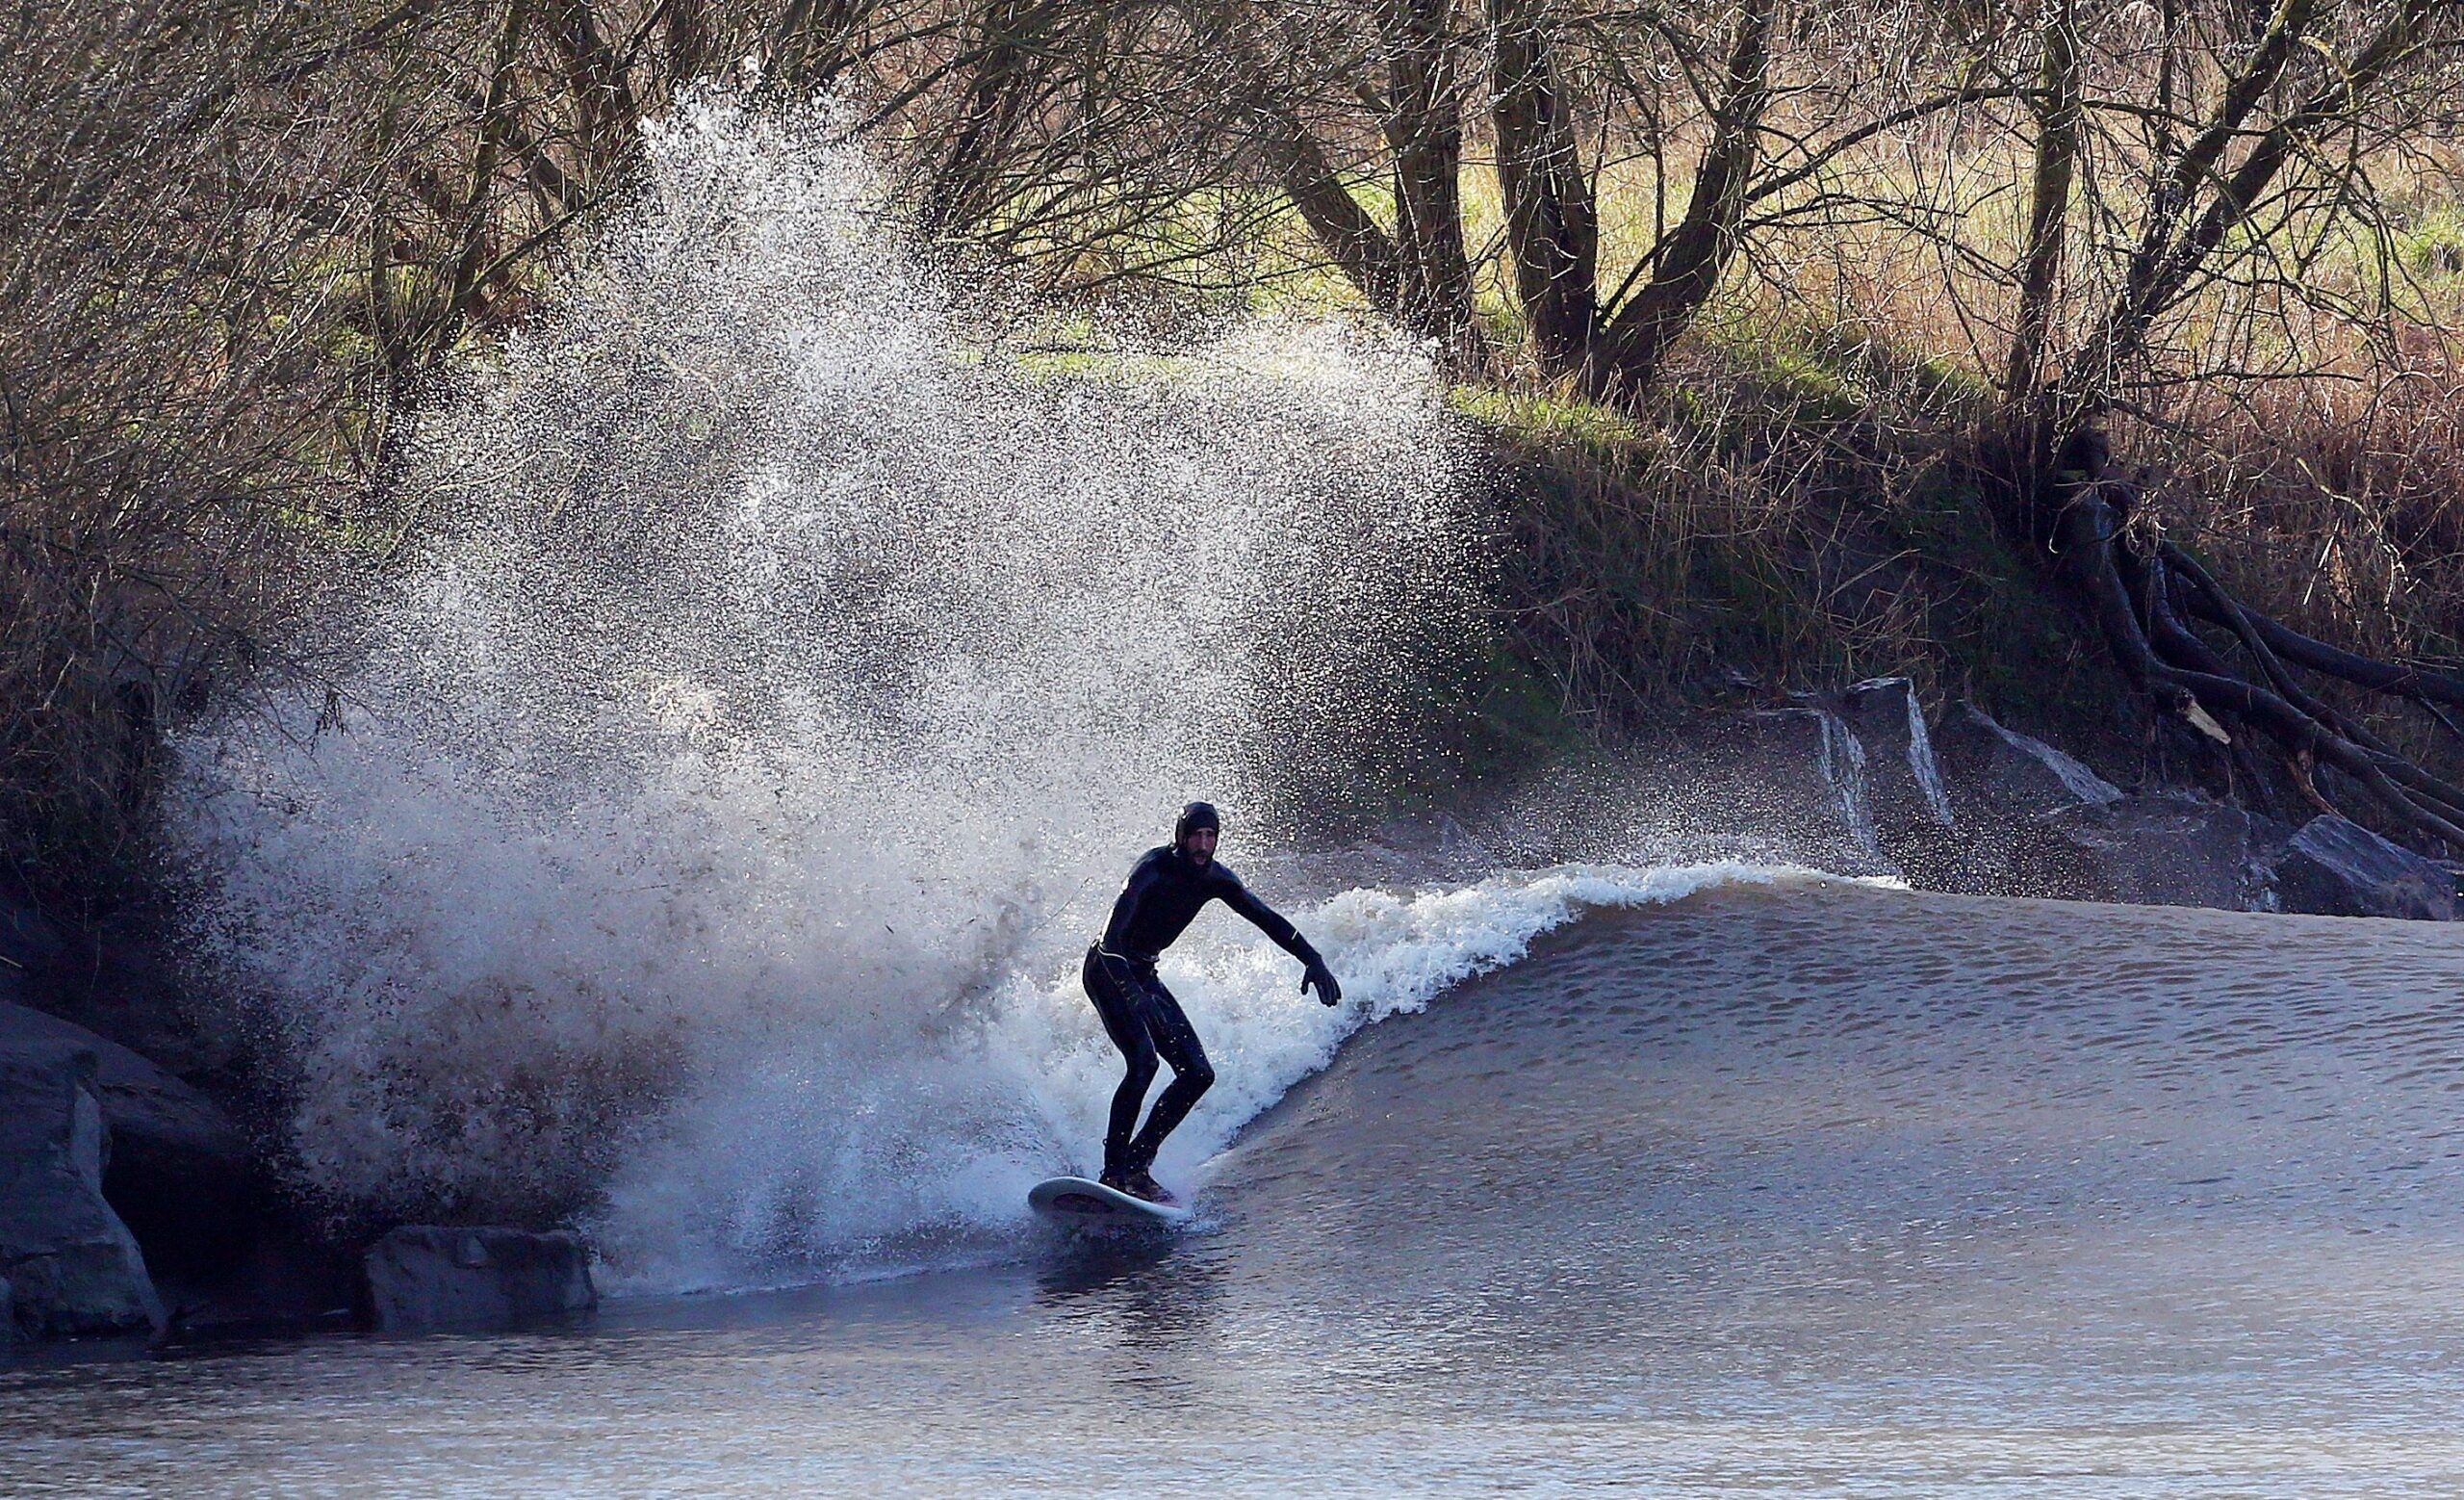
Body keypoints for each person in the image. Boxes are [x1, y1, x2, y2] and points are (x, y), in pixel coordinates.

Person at [1082, 801, 1341, 1204]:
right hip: (1108, 969)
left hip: (1145, 974)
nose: (1203, 845)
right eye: (1196, 836)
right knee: (1144, 1062)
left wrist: (1313, 959)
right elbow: (1110, 941)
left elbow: (1267, 918)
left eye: (1210, 836)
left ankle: (1138, 1165)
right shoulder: (1151, 870)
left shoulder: (1216, 879)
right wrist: (1133, 995)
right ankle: (1113, 1172)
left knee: (1197, 1073)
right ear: (1180, 836)